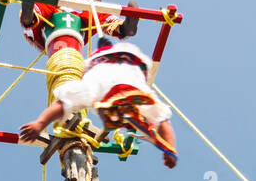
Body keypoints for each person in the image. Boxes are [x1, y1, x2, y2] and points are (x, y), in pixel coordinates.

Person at [19, 36, 178, 168]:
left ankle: (107, 42)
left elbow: (62, 104)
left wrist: (40, 123)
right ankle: (109, 41)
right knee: (150, 112)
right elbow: (163, 121)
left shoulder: (94, 89)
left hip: (117, 60)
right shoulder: (140, 96)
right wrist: (170, 150)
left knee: (99, 59)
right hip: (126, 59)